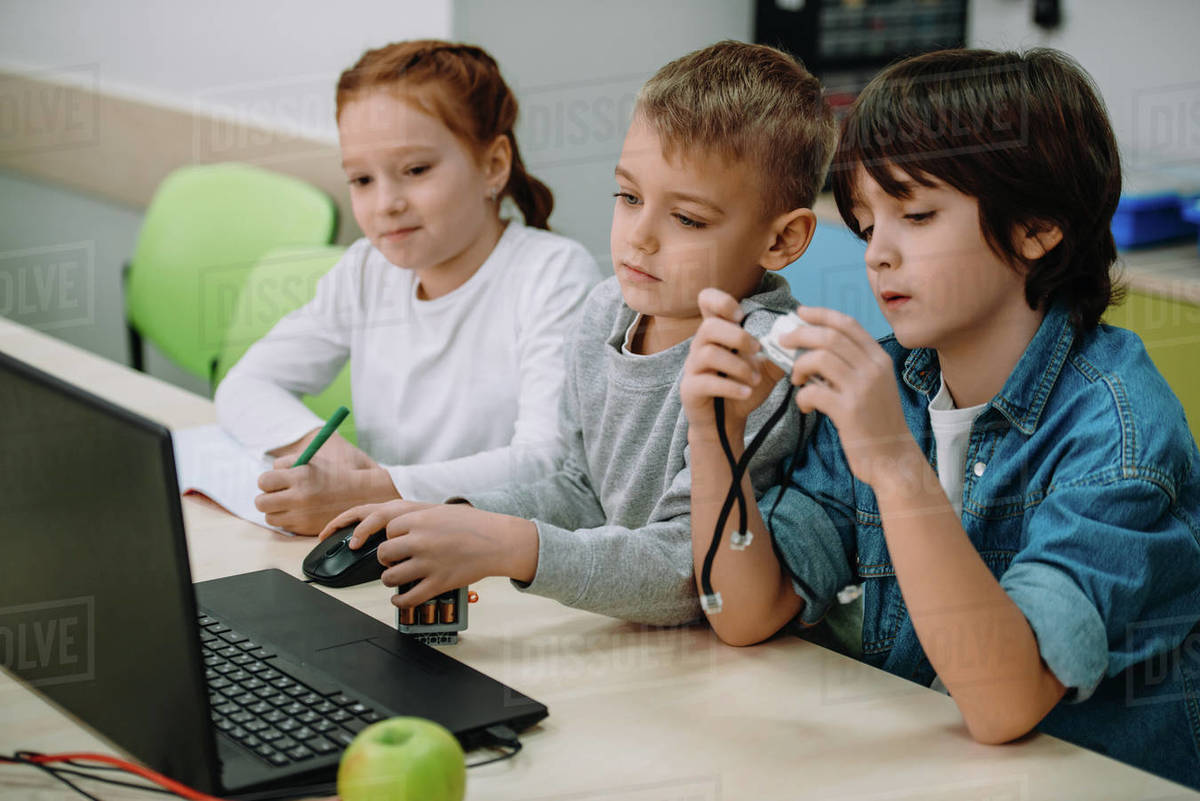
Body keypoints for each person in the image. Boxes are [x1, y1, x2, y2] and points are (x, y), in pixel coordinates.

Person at [682, 47, 1200, 788]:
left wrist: (894, 463)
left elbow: (1003, 700)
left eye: (917, 216)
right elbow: (746, 608)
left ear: (1037, 228)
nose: (879, 254)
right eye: (867, 224)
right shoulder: (894, 379)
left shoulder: (1117, 429)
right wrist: (715, 435)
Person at [317, 40, 837, 626]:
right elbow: (583, 489)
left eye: (687, 218)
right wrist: (453, 516)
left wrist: (513, 548)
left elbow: (694, 572)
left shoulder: (762, 362)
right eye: (629, 196)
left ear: (781, 241)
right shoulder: (605, 310)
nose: (639, 236)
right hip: (635, 638)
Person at [214, 41, 601, 535]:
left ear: (493, 165)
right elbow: (244, 386)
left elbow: (546, 464)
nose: (386, 204)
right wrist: (328, 454)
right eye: (361, 179)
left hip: (501, 564)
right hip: (390, 550)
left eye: (416, 170)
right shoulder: (365, 270)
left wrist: (376, 489)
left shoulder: (554, 275)